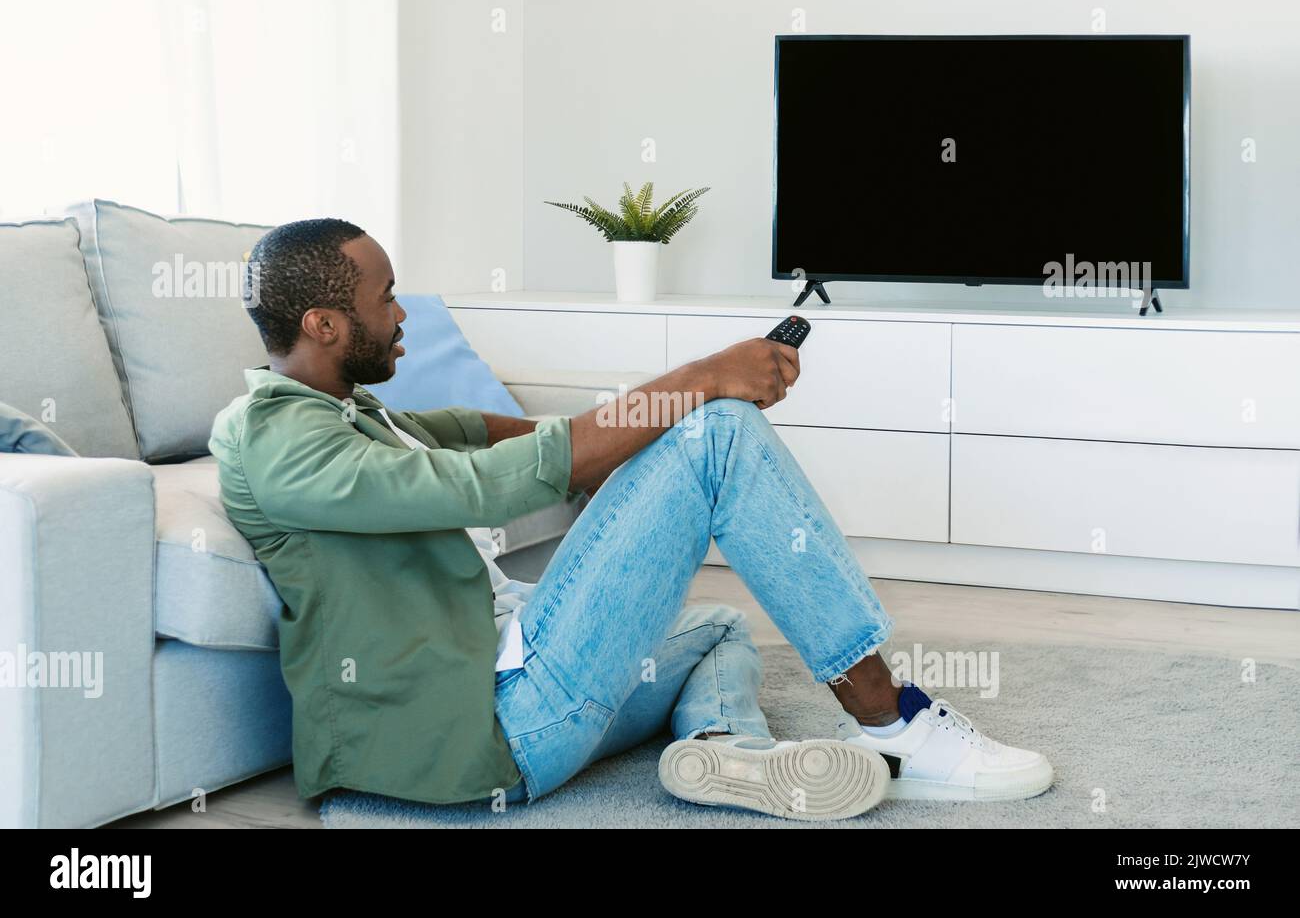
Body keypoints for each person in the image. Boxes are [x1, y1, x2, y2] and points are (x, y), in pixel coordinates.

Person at [209, 218, 1053, 822]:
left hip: (522, 675)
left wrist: (648, 428)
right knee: (716, 428)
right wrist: (701, 381)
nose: (403, 315)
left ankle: (731, 750)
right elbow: (484, 484)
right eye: (387, 296)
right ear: (323, 322)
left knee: (721, 626)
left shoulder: (359, 415)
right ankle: (890, 720)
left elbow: (529, 437)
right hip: (480, 724)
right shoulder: (274, 434)